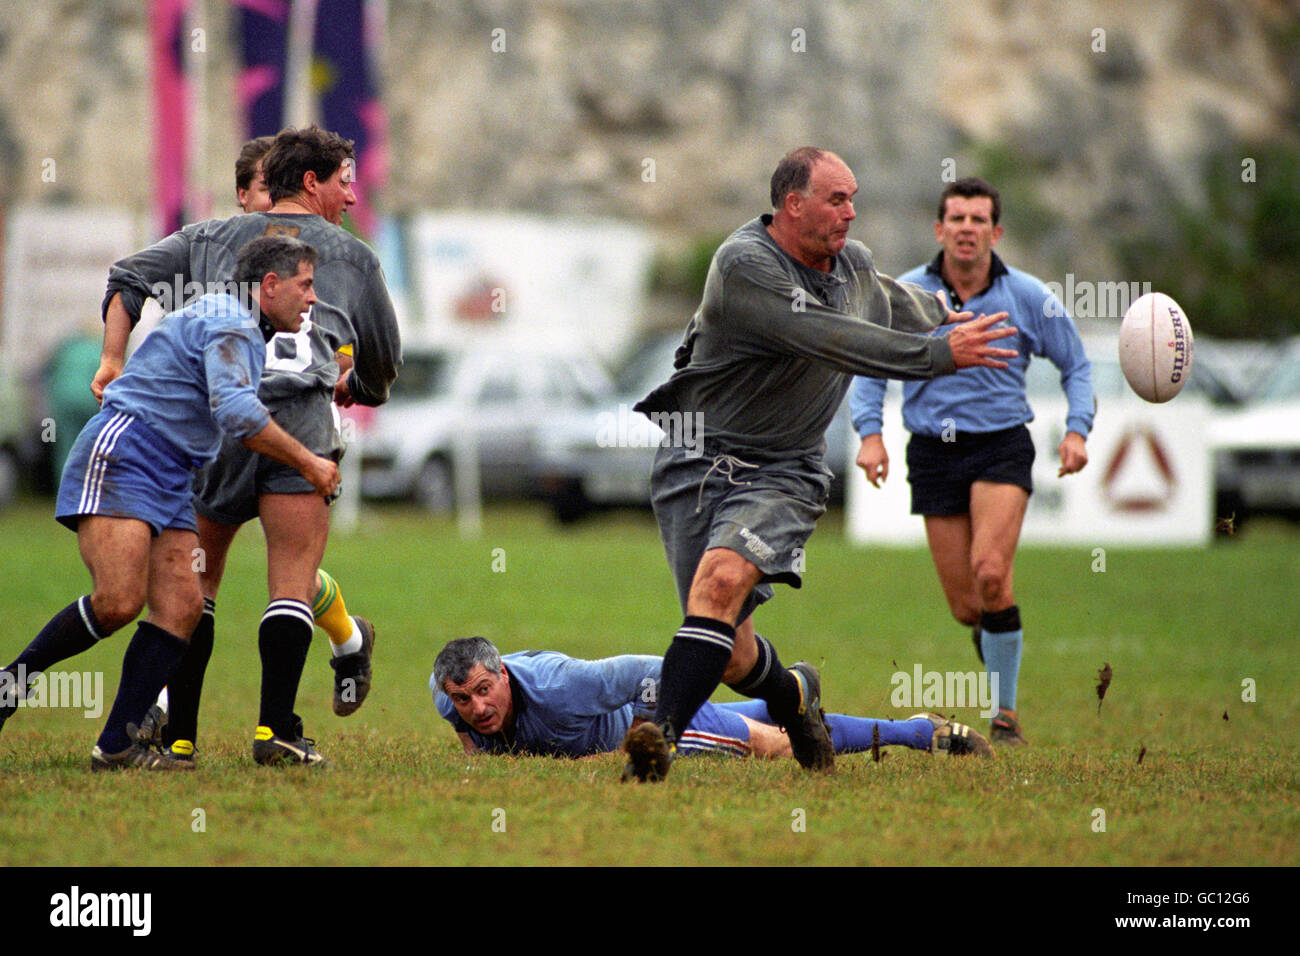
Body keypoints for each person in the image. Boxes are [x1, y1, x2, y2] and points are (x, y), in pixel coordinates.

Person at [622, 147, 1018, 782]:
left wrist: (948, 314)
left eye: (853, 198)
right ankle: (794, 697)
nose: (851, 212)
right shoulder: (745, 265)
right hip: (694, 462)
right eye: (837, 200)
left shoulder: (852, 267)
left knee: (718, 585)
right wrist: (938, 354)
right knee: (731, 652)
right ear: (792, 204)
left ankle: (658, 743)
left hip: (784, 468)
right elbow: (831, 334)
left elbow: (888, 301)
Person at [92, 125, 402, 765]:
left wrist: (112, 358)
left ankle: (180, 738)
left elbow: (127, 278)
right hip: (303, 426)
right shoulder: (353, 256)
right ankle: (277, 733)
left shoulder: (209, 237)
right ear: (312, 182)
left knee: (197, 588)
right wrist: (359, 386)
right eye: (345, 180)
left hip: (218, 430)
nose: (351, 195)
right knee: (290, 582)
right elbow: (385, 355)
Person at [0, 236, 338, 769]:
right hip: (127, 452)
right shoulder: (233, 323)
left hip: (170, 472)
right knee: (117, 602)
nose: (313, 298)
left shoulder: (236, 321)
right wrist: (310, 462)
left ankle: (116, 747)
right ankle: (9, 687)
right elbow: (237, 413)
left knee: (183, 606)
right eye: (306, 284)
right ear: (269, 286)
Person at [850, 176, 1093, 746]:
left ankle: (1004, 715)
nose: (966, 228)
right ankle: (1000, 642)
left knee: (990, 572)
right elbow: (869, 364)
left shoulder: (1029, 296)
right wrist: (869, 435)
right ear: (939, 229)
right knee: (967, 607)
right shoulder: (907, 294)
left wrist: (1077, 431)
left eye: (978, 219)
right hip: (933, 451)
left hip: (1001, 444)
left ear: (996, 231)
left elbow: (1077, 366)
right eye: (956, 218)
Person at [431, 637, 992, 759]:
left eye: (485, 690)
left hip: (648, 715)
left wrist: (662, 728)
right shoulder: (448, 697)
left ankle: (921, 737)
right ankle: (917, 726)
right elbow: (471, 741)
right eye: (464, 699)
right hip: (634, 720)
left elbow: (652, 669)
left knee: (774, 745)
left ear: (504, 674)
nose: (477, 708)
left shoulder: (565, 685)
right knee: (789, 715)